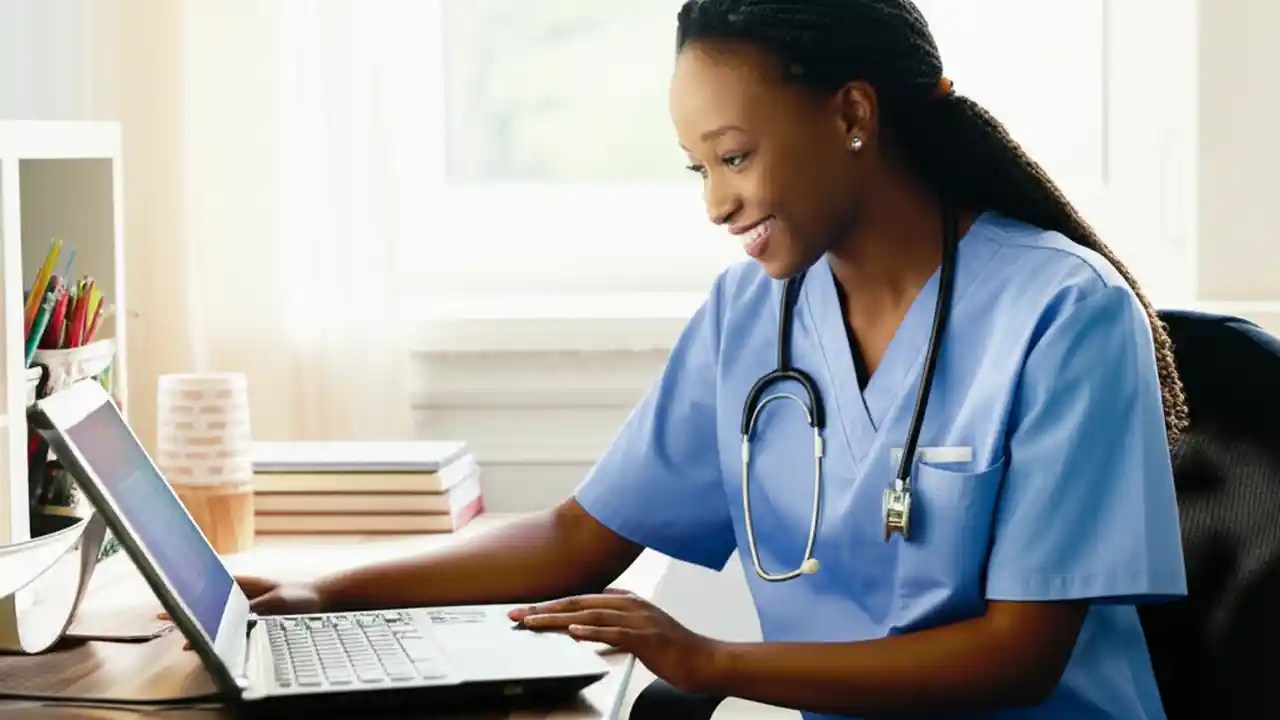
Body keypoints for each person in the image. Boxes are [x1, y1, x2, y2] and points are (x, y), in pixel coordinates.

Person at [219, 1, 1190, 717]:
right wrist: (324, 592)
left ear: (851, 116)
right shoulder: (752, 310)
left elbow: (1016, 658)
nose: (715, 205)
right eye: (698, 169)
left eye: (733, 157)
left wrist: (713, 662)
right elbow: (577, 537)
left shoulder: (1065, 314)